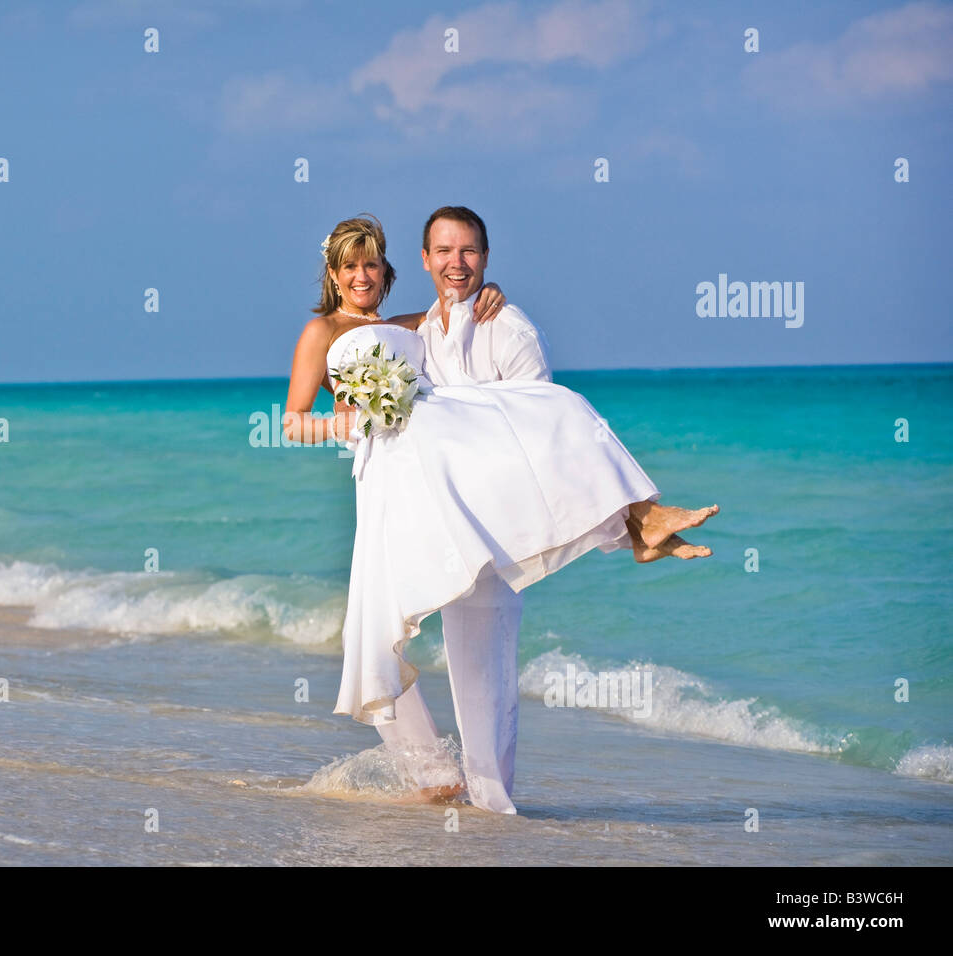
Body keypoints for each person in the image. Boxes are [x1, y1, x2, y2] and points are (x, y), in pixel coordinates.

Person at [283, 213, 718, 814]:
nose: (362, 274)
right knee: (375, 625)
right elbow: (292, 422)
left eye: (371, 263)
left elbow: (454, 327)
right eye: (350, 265)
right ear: (333, 274)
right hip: (385, 482)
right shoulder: (321, 332)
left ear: (387, 269)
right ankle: (433, 771)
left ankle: (634, 516)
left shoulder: (412, 325)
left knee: (546, 405)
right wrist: (355, 420)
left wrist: (486, 293)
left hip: (439, 484)